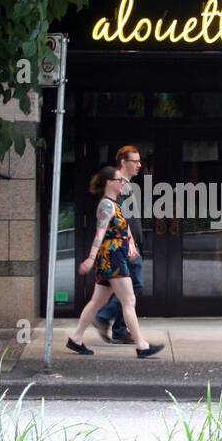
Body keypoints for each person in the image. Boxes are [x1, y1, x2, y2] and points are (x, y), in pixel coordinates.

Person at [66, 165, 165, 358]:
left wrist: (129, 244)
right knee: (128, 300)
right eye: (120, 180)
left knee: (97, 302)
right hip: (112, 258)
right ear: (110, 182)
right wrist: (90, 258)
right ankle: (141, 345)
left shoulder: (114, 203)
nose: (123, 183)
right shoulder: (107, 205)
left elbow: (119, 229)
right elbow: (100, 233)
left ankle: (75, 339)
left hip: (112, 257)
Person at [94, 144, 144, 343]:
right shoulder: (119, 185)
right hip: (123, 247)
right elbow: (120, 217)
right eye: (135, 161)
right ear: (124, 162)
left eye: (140, 161)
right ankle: (104, 317)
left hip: (127, 246)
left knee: (126, 289)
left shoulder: (128, 185)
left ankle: (120, 329)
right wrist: (130, 243)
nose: (139, 165)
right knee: (135, 284)